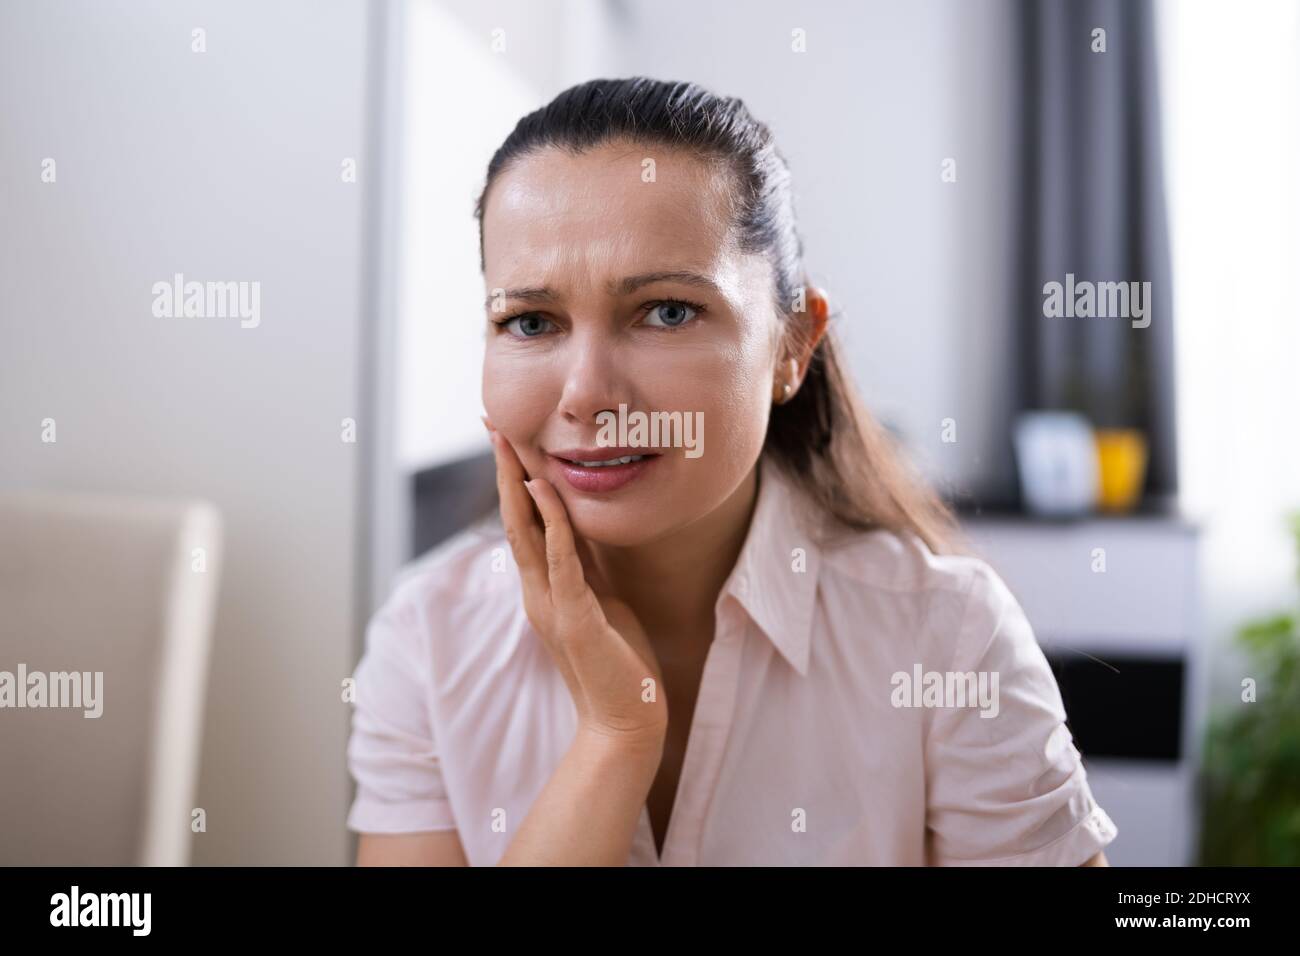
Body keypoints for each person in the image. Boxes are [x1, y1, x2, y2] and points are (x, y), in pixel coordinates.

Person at [346, 77, 1118, 866]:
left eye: (667, 311)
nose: (585, 394)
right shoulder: (428, 639)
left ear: (791, 346)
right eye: (530, 322)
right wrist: (616, 740)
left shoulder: (947, 639)